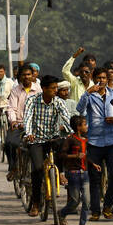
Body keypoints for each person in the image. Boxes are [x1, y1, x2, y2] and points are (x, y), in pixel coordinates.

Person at [23, 74, 72, 217]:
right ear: (43, 89)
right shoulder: (32, 100)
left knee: (64, 146)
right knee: (37, 169)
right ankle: (36, 203)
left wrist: (72, 132)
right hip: (36, 139)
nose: (55, 91)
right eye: (52, 88)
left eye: (56, 88)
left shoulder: (58, 102)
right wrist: (28, 133)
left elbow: (67, 119)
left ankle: (61, 173)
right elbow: (27, 118)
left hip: (52, 138)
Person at [78, 73, 113, 219]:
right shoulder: (90, 95)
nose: (101, 81)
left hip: (112, 140)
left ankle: (108, 206)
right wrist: (87, 93)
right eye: (98, 78)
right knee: (94, 178)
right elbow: (80, 110)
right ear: (95, 79)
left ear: (107, 80)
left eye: (104, 78)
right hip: (94, 141)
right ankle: (95, 211)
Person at [58, 114, 91, 225]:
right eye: (84, 124)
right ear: (78, 127)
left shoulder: (86, 140)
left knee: (87, 200)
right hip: (73, 174)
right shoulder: (70, 139)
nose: (86, 126)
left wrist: (93, 164)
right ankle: (62, 213)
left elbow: (87, 156)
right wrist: (75, 156)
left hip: (85, 174)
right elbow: (62, 155)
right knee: (75, 201)